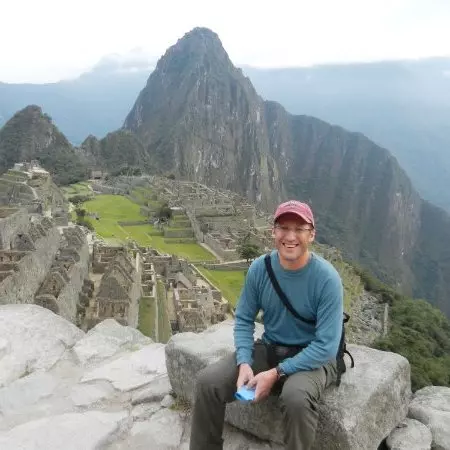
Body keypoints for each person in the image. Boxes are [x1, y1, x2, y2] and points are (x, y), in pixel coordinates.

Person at [189, 200, 344, 450]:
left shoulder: (327, 280)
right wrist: (244, 362)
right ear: (273, 232)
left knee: (295, 399)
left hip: (312, 357)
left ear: (311, 234)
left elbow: (326, 347)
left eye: (299, 229)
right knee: (208, 383)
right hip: (271, 347)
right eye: (283, 227)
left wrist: (275, 374)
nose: (290, 236)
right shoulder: (260, 269)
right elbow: (244, 319)